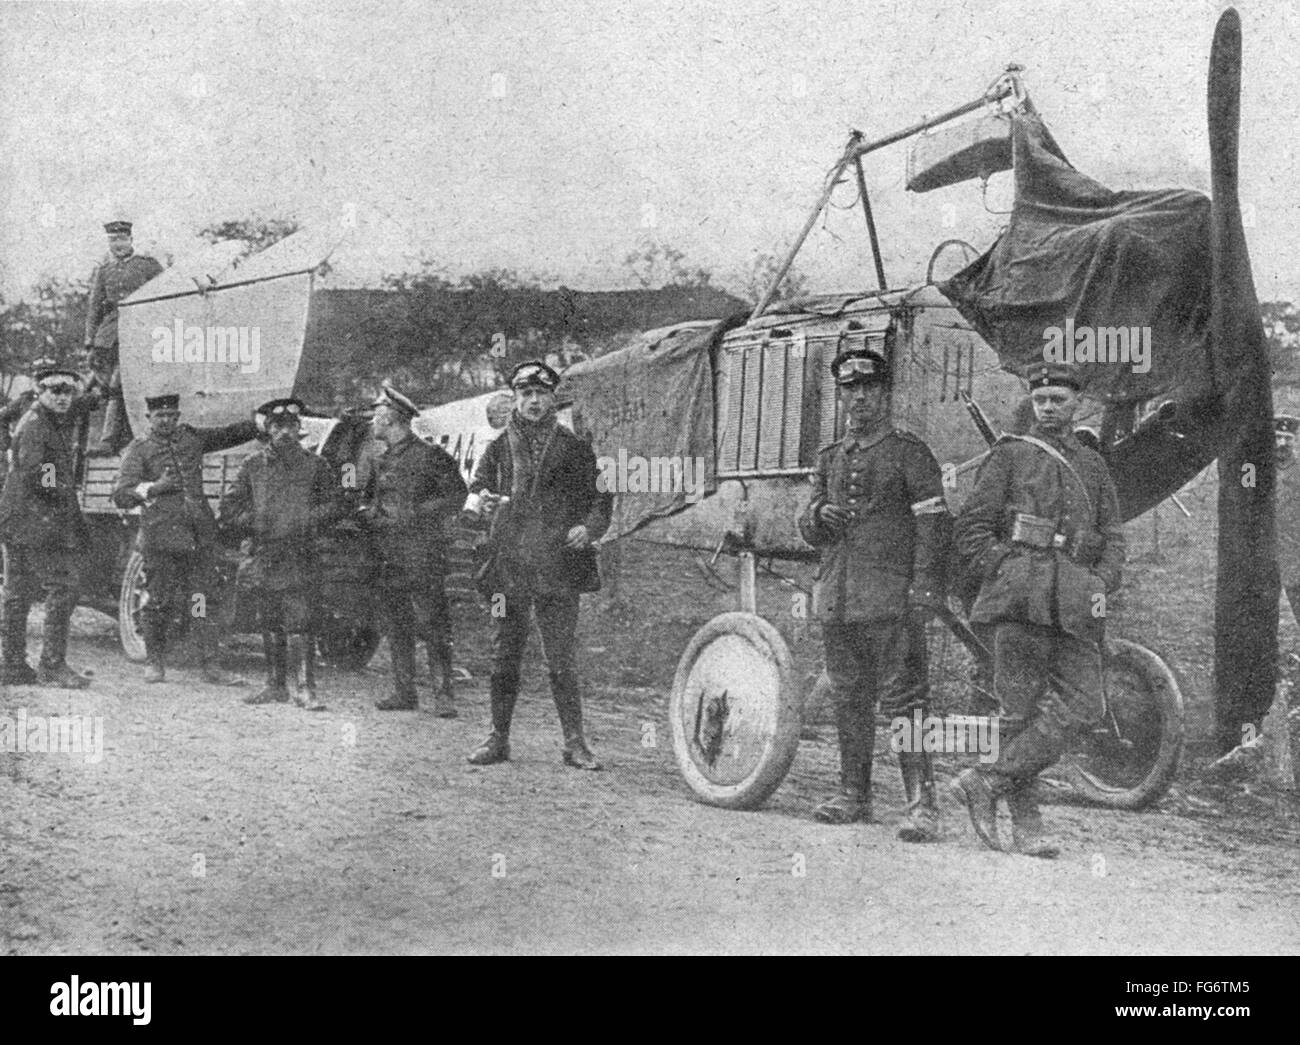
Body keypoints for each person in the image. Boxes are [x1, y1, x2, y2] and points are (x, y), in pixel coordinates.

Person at [951, 362, 1125, 858]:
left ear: (1077, 406)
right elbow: (972, 530)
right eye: (1042, 399)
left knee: (1087, 704)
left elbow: (1113, 536)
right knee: (1018, 713)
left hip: (1072, 601)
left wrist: (1101, 581)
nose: (1049, 408)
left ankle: (986, 780)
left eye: (1060, 401)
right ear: (1032, 402)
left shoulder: (1092, 464)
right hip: (1019, 599)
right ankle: (1028, 827)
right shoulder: (1010, 456)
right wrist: (1004, 565)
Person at [797, 347, 950, 840]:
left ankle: (922, 805)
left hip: (891, 599)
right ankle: (853, 795)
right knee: (848, 698)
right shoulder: (829, 458)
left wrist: (925, 591)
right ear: (840, 395)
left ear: (884, 393)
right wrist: (818, 516)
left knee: (907, 702)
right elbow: (807, 527)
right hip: (839, 599)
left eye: (868, 388)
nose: (858, 398)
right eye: (849, 389)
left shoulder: (910, 453)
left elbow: (933, 527)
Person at [464, 359, 612, 770]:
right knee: (503, 655)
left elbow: (601, 498)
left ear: (552, 399)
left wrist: (588, 527)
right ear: (515, 397)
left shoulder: (575, 448)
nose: (533, 402)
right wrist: (482, 504)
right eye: (525, 394)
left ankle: (575, 743)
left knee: (561, 657)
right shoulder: (497, 449)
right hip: (508, 566)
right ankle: (498, 739)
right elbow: (475, 492)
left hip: (558, 565)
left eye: (540, 395)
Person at [112, 393, 259, 684]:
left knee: (201, 599)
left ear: (178, 416)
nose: (166, 421)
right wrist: (155, 487)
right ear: (149, 419)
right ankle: (154, 662)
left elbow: (226, 435)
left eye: (172, 415)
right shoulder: (138, 449)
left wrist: (256, 423)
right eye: (160, 416)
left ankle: (209, 664)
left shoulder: (190, 440)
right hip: (161, 537)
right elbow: (121, 495)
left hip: (199, 537)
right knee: (158, 601)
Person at [220, 398, 342, 709]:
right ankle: (275, 686)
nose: (285, 433)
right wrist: (255, 521)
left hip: (300, 553)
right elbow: (229, 508)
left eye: (291, 426)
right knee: (269, 620)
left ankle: (305, 688)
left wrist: (307, 519)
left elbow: (335, 505)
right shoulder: (252, 466)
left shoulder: (317, 465)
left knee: (300, 622)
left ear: (299, 429)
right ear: (268, 430)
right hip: (265, 553)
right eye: (278, 427)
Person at [362, 384, 467, 714]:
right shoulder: (380, 460)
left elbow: (457, 495)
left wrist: (418, 513)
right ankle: (405, 692)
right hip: (389, 554)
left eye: (376, 418)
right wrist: (371, 515)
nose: (372, 425)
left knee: (434, 623)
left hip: (423, 553)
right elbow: (369, 500)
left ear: (390, 419)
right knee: (396, 623)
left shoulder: (431, 456)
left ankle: (443, 695)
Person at [0, 362, 95, 687]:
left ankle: (12, 665)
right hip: (37, 523)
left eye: (68, 391)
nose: (63, 397)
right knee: (63, 588)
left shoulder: (42, 419)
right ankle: (52, 665)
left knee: (18, 593)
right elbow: (37, 471)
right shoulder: (39, 425)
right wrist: (62, 489)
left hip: (20, 521)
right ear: (39, 392)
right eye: (55, 391)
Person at [84, 220, 163, 454]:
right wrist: (89, 340)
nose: (117, 245)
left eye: (121, 239)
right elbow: (94, 307)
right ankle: (110, 439)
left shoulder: (147, 265)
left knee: (121, 383)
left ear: (131, 240)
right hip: (109, 335)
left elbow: (166, 292)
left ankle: (110, 441)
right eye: (112, 240)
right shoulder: (104, 271)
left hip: (141, 331)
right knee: (108, 387)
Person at [1274, 414, 1300, 624]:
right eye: (1277, 437)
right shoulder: (1255, 468)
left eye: (1288, 438)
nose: (1282, 443)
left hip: (1294, 548)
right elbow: (1245, 493)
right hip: (1264, 547)